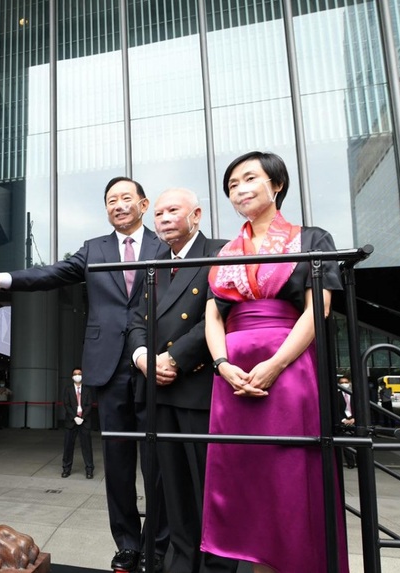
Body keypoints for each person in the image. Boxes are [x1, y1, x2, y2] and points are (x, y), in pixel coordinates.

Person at [0, 176, 167, 572]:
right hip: (109, 364)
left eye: (126, 198)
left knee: (157, 459)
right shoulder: (94, 250)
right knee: (117, 460)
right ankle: (128, 544)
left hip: (156, 363)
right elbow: (50, 274)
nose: (118, 205)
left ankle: (157, 545)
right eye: (111, 200)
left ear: (144, 205)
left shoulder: (165, 247)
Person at [202, 151, 349, 572]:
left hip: (288, 367)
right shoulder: (227, 251)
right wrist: (222, 365)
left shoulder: (311, 238)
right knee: (242, 473)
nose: (240, 189)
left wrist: (276, 365)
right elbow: (214, 314)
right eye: (232, 185)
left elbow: (316, 310)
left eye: (249, 179)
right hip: (232, 376)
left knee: (288, 473)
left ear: (277, 185)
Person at [127, 188, 236, 573]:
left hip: (197, 387)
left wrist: (174, 358)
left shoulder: (219, 253)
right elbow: (135, 318)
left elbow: (219, 314)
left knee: (208, 488)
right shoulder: (153, 261)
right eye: (158, 214)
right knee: (170, 489)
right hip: (156, 388)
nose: (164, 218)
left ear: (197, 215)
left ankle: (216, 566)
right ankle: (181, 562)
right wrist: (143, 358)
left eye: (173, 210)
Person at [62, 368, 94, 479]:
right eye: (75, 374)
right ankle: (66, 469)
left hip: (84, 422)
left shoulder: (88, 390)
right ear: (72, 377)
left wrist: (82, 417)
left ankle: (89, 470)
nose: (77, 376)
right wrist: (74, 417)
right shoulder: (68, 389)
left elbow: (89, 405)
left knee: (87, 447)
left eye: (79, 374)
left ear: (82, 376)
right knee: (68, 447)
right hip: (71, 422)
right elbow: (66, 404)